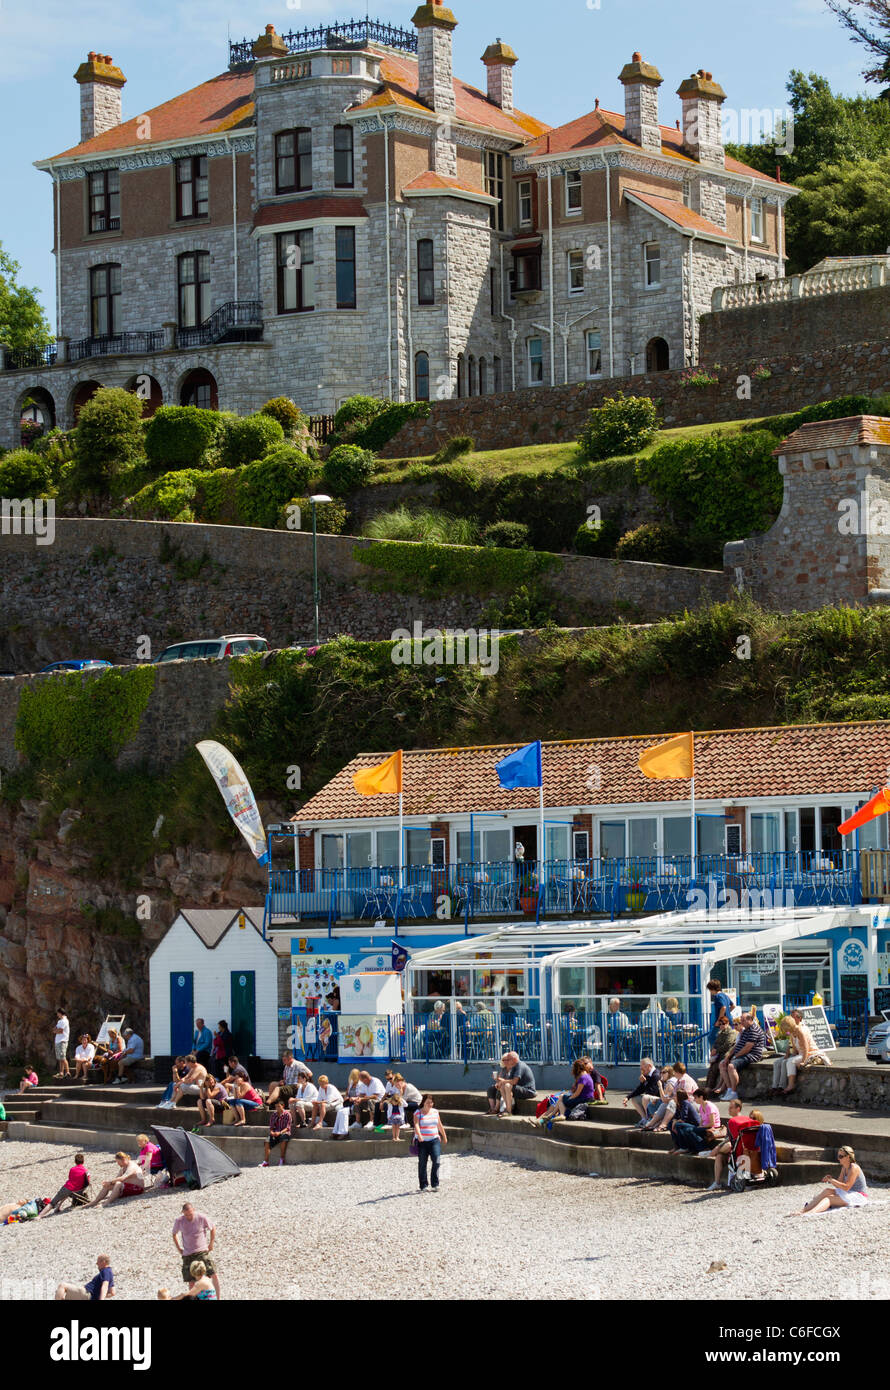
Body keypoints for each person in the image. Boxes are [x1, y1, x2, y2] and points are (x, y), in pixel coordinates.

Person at [796, 1146, 870, 1215]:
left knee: (829, 1199)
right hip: (849, 1192)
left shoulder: (854, 1167)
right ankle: (803, 1210)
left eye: (841, 1156)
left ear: (848, 1157)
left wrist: (832, 1180)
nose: (838, 1158)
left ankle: (810, 1213)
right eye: (838, 1156)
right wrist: (831, 1179)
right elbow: (839, 1185)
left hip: (858, 1196)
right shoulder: (844, 1167)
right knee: (827, 1191)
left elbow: (846, 1187)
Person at [705, 1101, 761, 1191]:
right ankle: (717, 1183)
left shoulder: (741, 1122)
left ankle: (711, 1153)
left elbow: (731, 1140)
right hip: (736, 1149)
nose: (728, 1110)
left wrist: (718, 1147)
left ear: (738, 1109)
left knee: (724, 1148)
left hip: (740, 1150)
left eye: (731, 1108)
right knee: (719, 1156)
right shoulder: (733, 1122)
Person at [772, 1009, 828, 1095]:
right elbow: (793, 1047)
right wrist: (787, 1055)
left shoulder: (802, 1030)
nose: (791, 1018)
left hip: (810, 1053)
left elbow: (806, 1048)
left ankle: (790, 1085)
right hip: (800, 1053)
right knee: (778, 1062)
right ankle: (776, 1086)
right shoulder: (792, 1030)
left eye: (793, 1017)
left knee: (789, 1062)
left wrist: (803, 1061)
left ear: (799, 1018)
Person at [172, 1202, 220, 1299]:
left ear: (193, 1210)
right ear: (182, 1213)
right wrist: (179, 1248)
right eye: (186, 1215)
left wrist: (211, 1243)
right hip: (188, 1253)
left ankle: (218, 1298)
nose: (188, 1216)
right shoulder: (179, 1221)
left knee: (213, 1274)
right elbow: (174, 1234)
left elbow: (212, 1228)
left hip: (202, 1250)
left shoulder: (201, 1217)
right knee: (191, 1280)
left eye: (190, 1214)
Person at [719, 1011, 768, 1099]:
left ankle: (734, 1092)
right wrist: (728, 1056)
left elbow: (747, 1048)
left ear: (749, 1020)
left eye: (743, 1021)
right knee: (722, 1064)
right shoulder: (746, 1030)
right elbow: (738, 1045)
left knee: (731, 1066)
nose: (741, 1023)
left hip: (751, 1055)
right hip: (741, 1054)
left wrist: (735, 1056)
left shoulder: (754, 1030)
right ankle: (729, 1090)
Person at [38, 1152, 91, 1216]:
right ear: (83, 1161)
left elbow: (70, 1178)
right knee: (68, 1192)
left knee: (53, 1202)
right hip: (78, 1191)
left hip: (67, 1188)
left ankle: (39, 1216)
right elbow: (88, 1182)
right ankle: (58, 1207)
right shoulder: (86, 1171)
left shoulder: (72, 1169)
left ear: (75, 1161)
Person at [671, 1089, 723, 1155]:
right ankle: (690, 1148)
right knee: (680, 1126)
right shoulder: (701, 1106)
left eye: (695, 1098)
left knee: (688, 1130)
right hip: (704, 1126)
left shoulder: (709, 1106)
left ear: (701, 1097)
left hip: (712, 1127)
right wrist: (699, 1126)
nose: (694, 1099)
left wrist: (701, 1127)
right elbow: (702, 1119)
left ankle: (703, 1148)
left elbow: (712, 1123)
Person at [414, 1094, 447, 1192]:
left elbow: (439, 1124)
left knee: (437, 1160)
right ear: (423, 1102)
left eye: (431, 1102)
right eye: (428, 1102)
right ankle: (423, 1185)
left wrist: (444, 1136)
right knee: (422, 1163)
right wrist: (419, 1135)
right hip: (423, 1141)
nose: (430, 1104)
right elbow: (416, 1124)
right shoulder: (418, 1112)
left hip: (434, 1139)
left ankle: (435, 1184)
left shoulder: (435, 1112)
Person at [488, 1052, 536, 1116]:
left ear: (514, 1059)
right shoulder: (514, 1066)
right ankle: (506, 1109)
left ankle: (508, 1111)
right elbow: (509, 1081)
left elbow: (514, 1081)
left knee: (507, 1086)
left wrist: (502, 1082)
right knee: (502, 1086)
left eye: (508, 1059)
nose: (507, 1061)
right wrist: (500, 1082)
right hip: (520, 1088)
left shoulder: (520, 1065)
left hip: (528, 1091)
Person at [701, 1015, 738, 1095]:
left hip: (726, 1054)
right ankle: (708, 1087)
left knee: (716, 1067)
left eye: (723, 1023)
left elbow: (728, 1044)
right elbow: (716, 1043)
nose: (721, 1025)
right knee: (711, 1068)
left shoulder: (731, 1032)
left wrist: (716, 1050)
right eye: (720, 1024)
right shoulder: (720, 1033)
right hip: (719, 1054)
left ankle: (713, 1088)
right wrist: (713, 1050)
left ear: (727, 1023)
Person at [624, 1058, 661, 1126]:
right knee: (635, 1098)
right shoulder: (647, 1074)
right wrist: (628, 1097)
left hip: (659, 1102)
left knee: (645, 1097)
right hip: (652, 1100)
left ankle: (650, 1119)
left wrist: (644, 1082)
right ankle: (645, 1119)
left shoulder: (656, 1075)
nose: (641, 1069)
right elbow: (640, 1089)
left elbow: (652, 1092)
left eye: (642, 1066)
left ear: (649, 1066)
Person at [640, 1066, 678, 1132]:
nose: (661, 1074)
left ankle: (652, 1123)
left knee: (653, 1105)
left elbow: (664, 1099)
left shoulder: (670, 1083)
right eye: (661, 1072)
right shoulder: (668, 1082)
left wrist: (660, 1086)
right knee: (648, 1100)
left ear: (669, 1073)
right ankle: (652, 1122)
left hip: (672, 1105)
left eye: (664, 1072)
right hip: (669, 1102)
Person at [261, 1101, 292, 1166]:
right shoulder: (274, 1114)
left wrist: (280, 1132)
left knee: (283, 1139)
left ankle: (281, 1159)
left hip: (284, 1132)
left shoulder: (287, 1114)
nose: (277, 1108)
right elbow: (271, 1126)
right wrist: (272, 1132)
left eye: (279, 1106)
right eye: (276, 1107)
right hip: (275, 1132)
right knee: (267, 1141)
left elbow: (287, 1127)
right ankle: (266, 1161)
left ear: (283, 1106)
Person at [706, 978, 734, 1045]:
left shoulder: (717, 996)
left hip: (722, 1022)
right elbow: (733, 1006)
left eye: (710, 990)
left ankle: (716, 1052)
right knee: (725, 1038)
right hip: (729, 1020)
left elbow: (723, 1007)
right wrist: (727, 1013)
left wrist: (719, 1020)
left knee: (711, 1037)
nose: (710, 992)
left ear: (712, 989)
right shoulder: (725, 995)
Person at [53, 1008, 71, 1079]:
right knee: (60, 1058)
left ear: (60, 1013)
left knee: (63, 1057)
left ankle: (67, 1072)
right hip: (58, 1041)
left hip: (62, 1041)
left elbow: (60, 1031)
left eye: (58, 1013)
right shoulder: (60, 1021)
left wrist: (55, 1030)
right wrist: (55, 1030)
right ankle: (61, 1072)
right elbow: (54, 1029)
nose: (57, 1014)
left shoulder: (64, 1021)